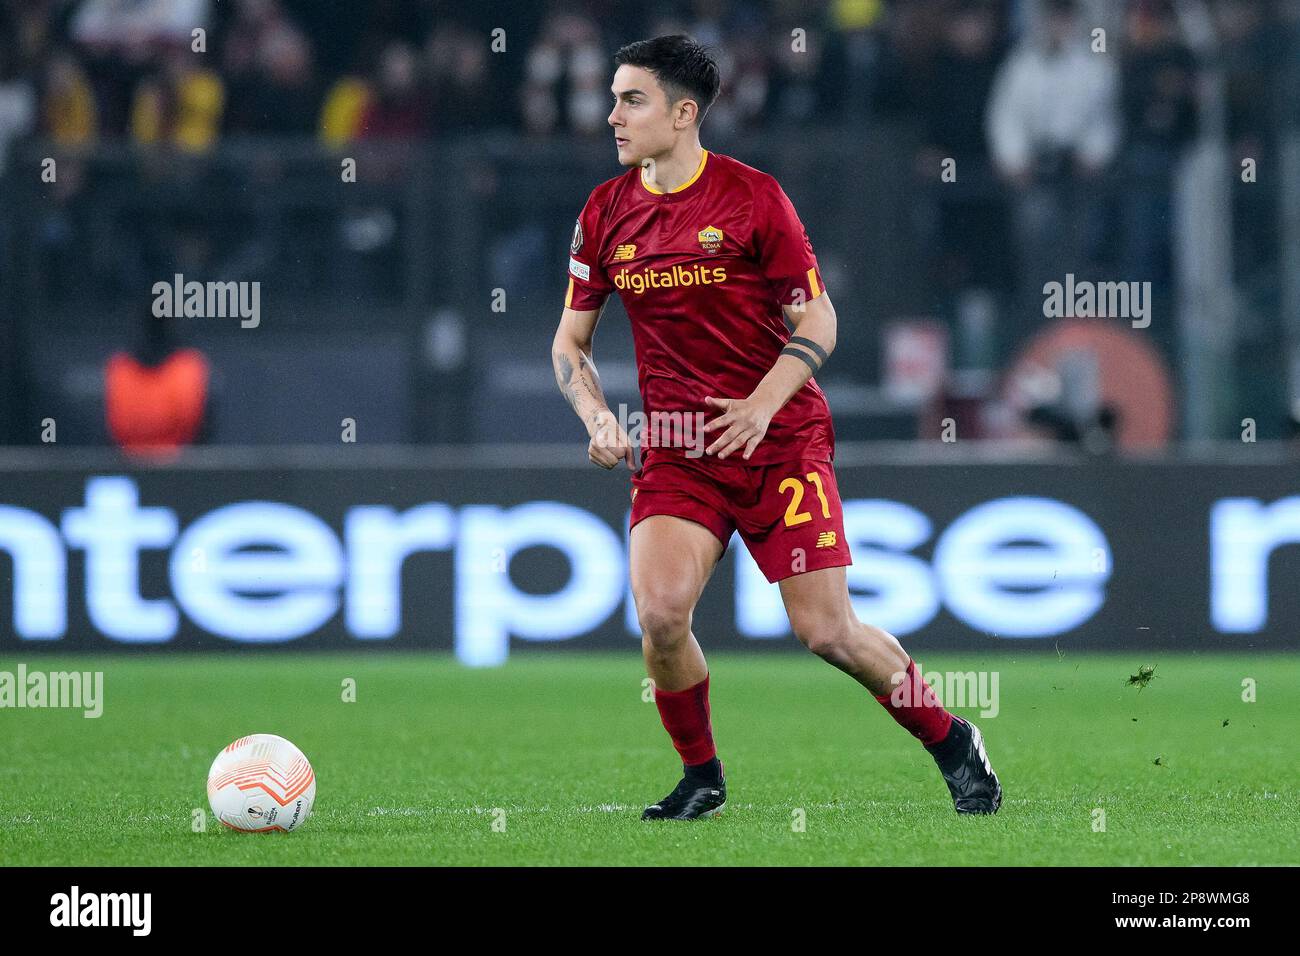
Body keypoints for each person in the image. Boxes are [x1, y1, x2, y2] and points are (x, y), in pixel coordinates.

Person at [551, 35, 1001, 820]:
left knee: (827, 633)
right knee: (660, 617)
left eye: (632, 100)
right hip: (681, 451)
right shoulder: (605, 212)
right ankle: (703, 777)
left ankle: (952, 739)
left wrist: (761, 403)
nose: (613, 115)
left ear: (684, 113)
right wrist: (595, 415)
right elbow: (571, 342)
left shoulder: (753, 199)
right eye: (614, 98)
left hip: (780, 439)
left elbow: (819, 314)